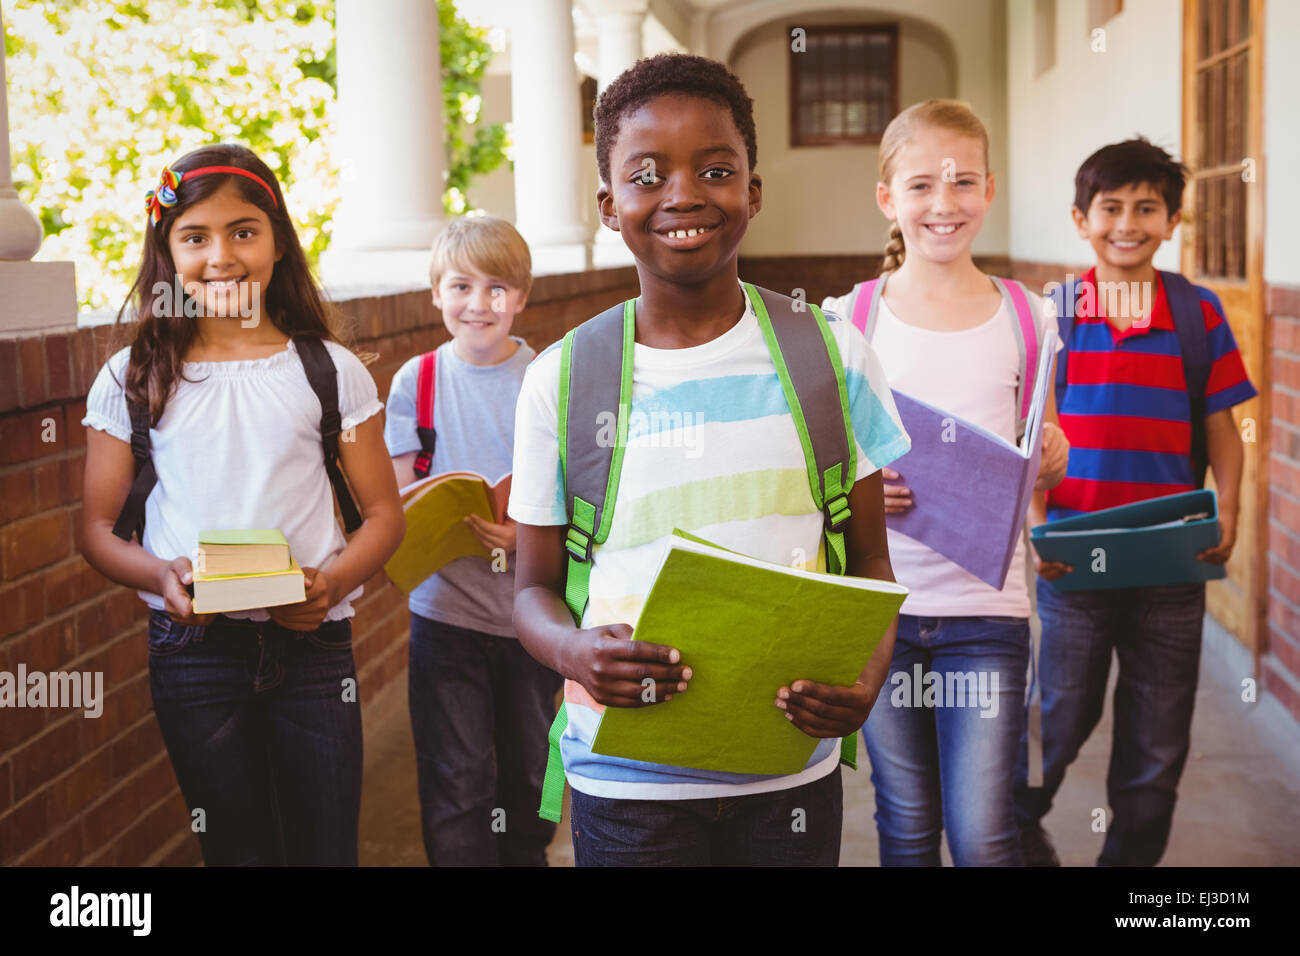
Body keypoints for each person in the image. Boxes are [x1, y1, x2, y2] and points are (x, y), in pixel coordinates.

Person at [508, 53, 912, 866]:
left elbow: (868, 555)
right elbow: (530, 591)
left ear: (752, 193)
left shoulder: (832, 357)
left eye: (716, 169)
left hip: (786, 776)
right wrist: (572, 651)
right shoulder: (564, 377)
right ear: (608, 206)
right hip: (628, 789)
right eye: (647, 175)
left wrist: (866, 679)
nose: (683, 194)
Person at [79, 143, 404, 866]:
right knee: (234, 849)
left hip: (314, 647)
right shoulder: (134, 377)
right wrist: (162, 576)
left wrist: (333, 585)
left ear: (279, 241)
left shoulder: (328, 369)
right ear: (166, 252)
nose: (221, 255)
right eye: (195, 236)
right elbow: (97, 530)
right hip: (193, 653)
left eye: (244, 231)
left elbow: (384, 516)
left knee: (325, 848)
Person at [822, 99, 1070, 866]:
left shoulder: (1027, 317)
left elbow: (1042, 448)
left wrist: (1052, 455)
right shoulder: (851, 319)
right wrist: (861, 485)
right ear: (887, 198)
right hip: (883, 615)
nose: (944, 203)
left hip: (987, 617)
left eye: (963, 183)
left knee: (984, 833)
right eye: (922, 184)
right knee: (904, 826)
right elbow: (821, 467)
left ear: (989, 191)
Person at [1014, 137, 1256, 867]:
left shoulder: (1197, 313)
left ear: (1173, 220)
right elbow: (1030, 431)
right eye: (1110, 207)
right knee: (1052, 725)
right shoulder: (1052, 314)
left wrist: (1233, 512)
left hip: (1170, 565)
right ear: (1080, 218)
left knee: (1155, 744)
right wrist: (1035, 526)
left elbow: (1224, 428)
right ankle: (1017, 841)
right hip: (1072, 567)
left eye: (1147, 207)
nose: (1128, 222)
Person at [384, 216, 561, 866]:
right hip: (446, 619)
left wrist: (525, 536)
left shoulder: (549, 380)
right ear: (436, 293)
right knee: (456, 782)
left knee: (528, 776)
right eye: (461, 286)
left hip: (530, 618)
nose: (478, 304)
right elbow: (398, 503)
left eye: (496, 288)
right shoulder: (416, 383)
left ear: (521, 297)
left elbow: (582, 502)